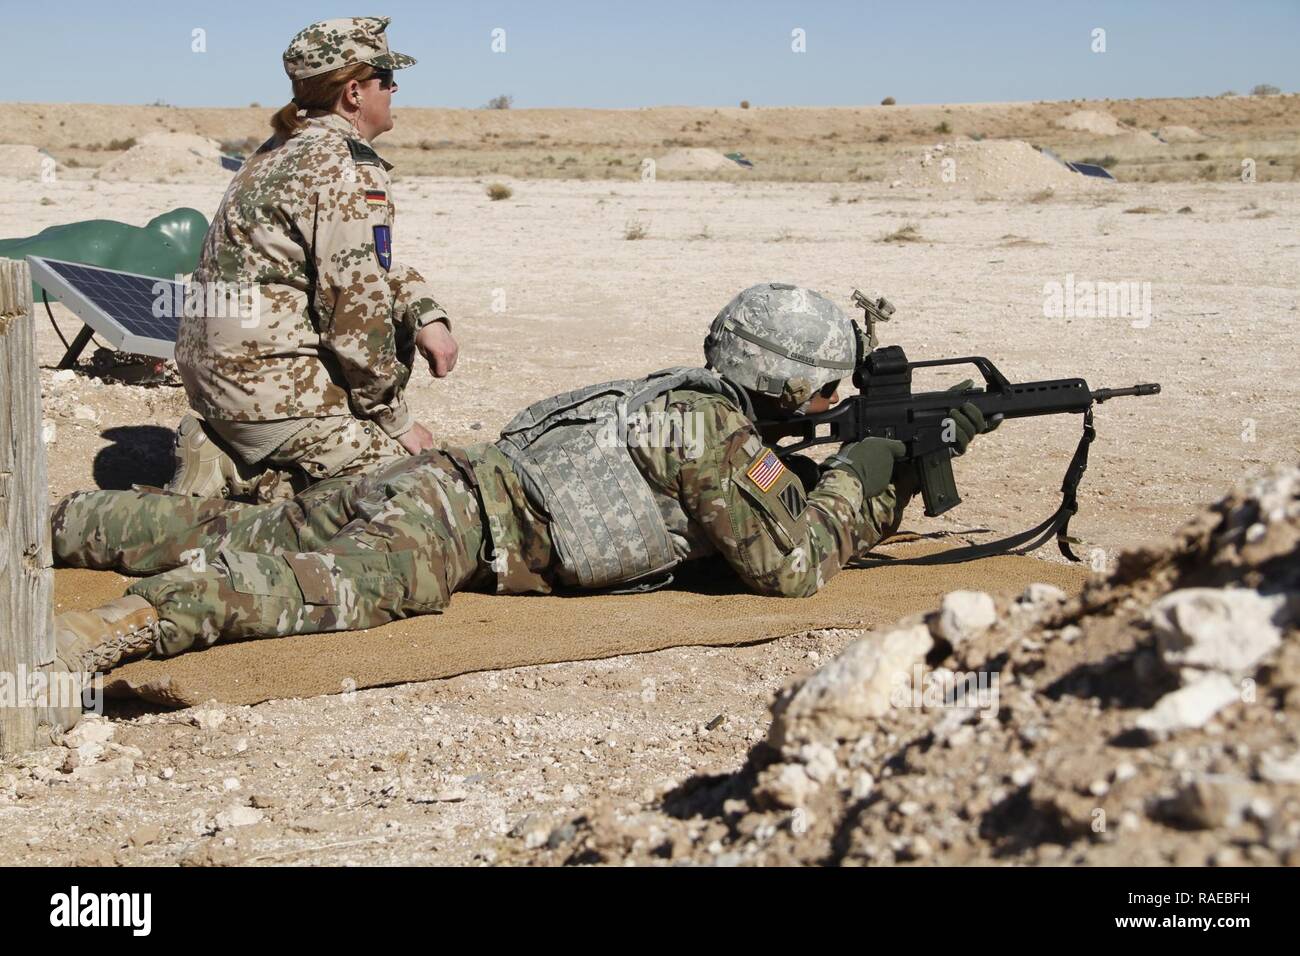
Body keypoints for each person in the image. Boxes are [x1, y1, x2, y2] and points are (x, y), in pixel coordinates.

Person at [45, 284, 993, 728]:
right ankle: (137, 622)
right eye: (825, 391)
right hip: (450, 525)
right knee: (328, 588)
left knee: (236, 521)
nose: (828, 406)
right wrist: (871, 482)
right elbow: (788, 568)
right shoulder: (714, 437)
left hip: (442, 480)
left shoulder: (676, 396)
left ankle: (58, 523)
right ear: (785, 385)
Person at [168, 16, 459, 502]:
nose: (395, 88)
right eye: (385, 79)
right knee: (423, 494)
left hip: (220, 388)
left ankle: (235, 447)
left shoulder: (276, 152)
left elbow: (365, 268)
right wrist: (397, 423)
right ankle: (251, 477)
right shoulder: (343, 168)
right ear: (353, 93)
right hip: (273, 401)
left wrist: (427, 312)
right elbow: (355, 311)